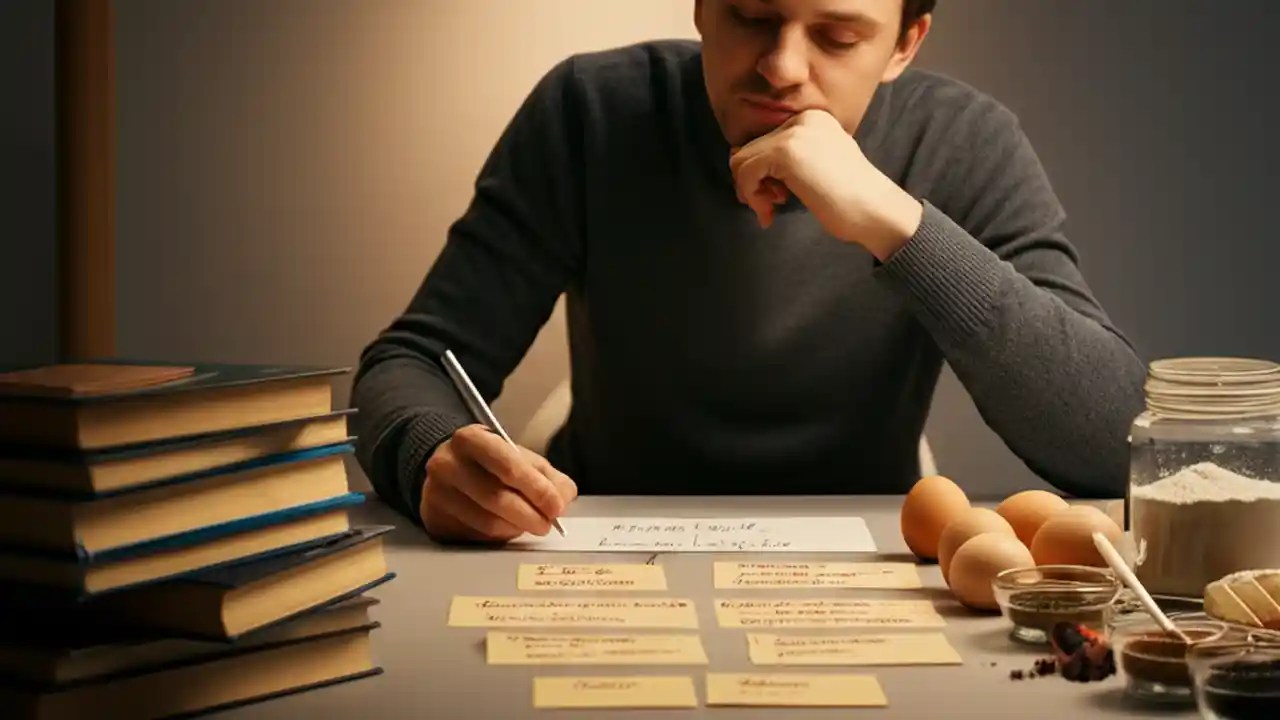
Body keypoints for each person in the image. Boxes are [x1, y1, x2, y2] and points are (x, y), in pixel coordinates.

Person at [350, 0, 1147, 544]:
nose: (780, 68)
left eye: (837, 37)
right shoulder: (590, 111)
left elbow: (1115, 444)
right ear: (699, 5)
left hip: (870, 561)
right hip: (591, 546)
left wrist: (893, 220)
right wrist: (427, 450)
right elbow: (412, 362)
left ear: (906, 43)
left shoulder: (966, 143)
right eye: (751, 16)